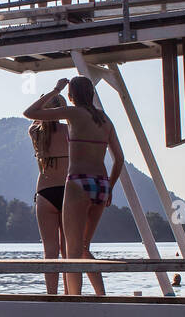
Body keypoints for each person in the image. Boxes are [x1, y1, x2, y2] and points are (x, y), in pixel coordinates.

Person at [24, 75, 124, 297]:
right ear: (92, 94)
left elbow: (30, 113)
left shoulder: (74, 113)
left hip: (78, 182)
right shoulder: (105, 120)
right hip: (101, 184)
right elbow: (119, 159)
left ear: (71, 96)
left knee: (71, 250)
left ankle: (73, 308)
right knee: (84, 247)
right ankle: (101, 297)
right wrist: (111, 187)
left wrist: (54, 89)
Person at [29, 96, 70, 294]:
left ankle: (52, 297)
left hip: (45, 193)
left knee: (50, 251)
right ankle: (71, 295)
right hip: (68, 192)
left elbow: (31, 113)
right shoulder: (69, 131)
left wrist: (48, 98)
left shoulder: (35, 132)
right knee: (68, 251)